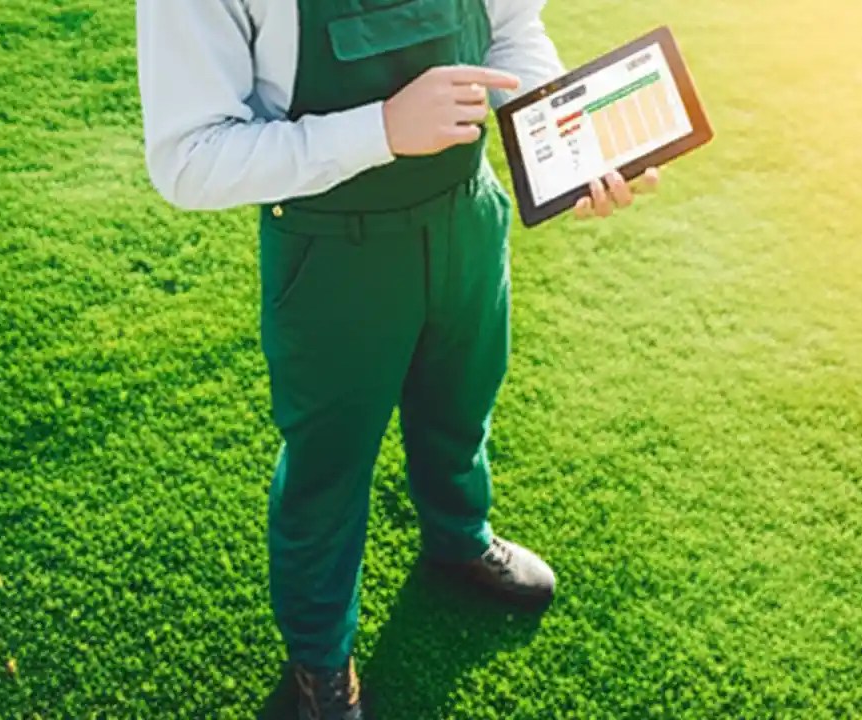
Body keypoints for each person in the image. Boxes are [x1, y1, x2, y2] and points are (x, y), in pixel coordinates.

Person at [135, 1, 658, 717]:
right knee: (328, 464)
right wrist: (380, 130)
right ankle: (320, 659)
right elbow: (189, 157)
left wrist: (564, 142)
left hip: (467, 214)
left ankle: (459, 537)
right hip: (330, 248)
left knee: (461, 404)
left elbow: (510, 28)